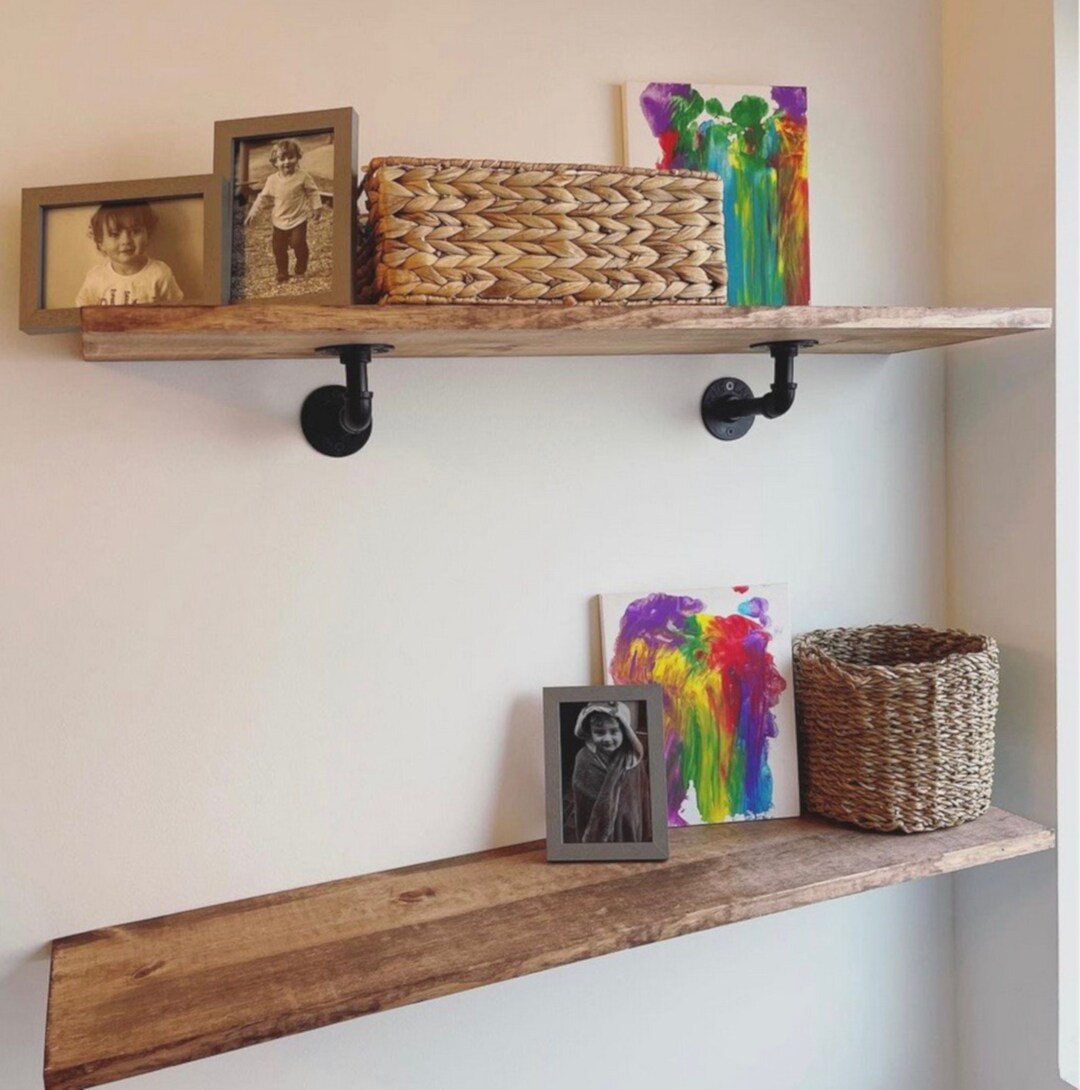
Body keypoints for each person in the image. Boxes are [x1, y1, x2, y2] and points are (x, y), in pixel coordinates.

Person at [244, 139, 323, 284]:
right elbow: (263, 197)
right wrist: (253, 212)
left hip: (298, 219)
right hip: (279, 221)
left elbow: (313, 192)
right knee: (278, 248)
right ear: (275, 162)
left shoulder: (303, 176)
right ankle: (282, 272)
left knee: (298, 243)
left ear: (298, 157)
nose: (287, 162)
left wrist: (317, 207)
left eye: (291, 157)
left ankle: (302, 262)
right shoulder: (272, 180)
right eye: (282, 159)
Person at [75, 202, 183, 307]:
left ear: (148, 235)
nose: (126, 241)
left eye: (135, 232)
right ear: (100, 242)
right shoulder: (95, 278)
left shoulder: (160, 274)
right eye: (115, 234)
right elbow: (82, 312)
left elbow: (175, 310)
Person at [571, 702, 649, 843]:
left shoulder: (632, 758)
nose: (607, 738)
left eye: (614, 731)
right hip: (596, 826)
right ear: (590, 733)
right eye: (599, 732)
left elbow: (641, 795)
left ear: (625, 732)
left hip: (628, 820)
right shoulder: (584, 759)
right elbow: (582, 801)